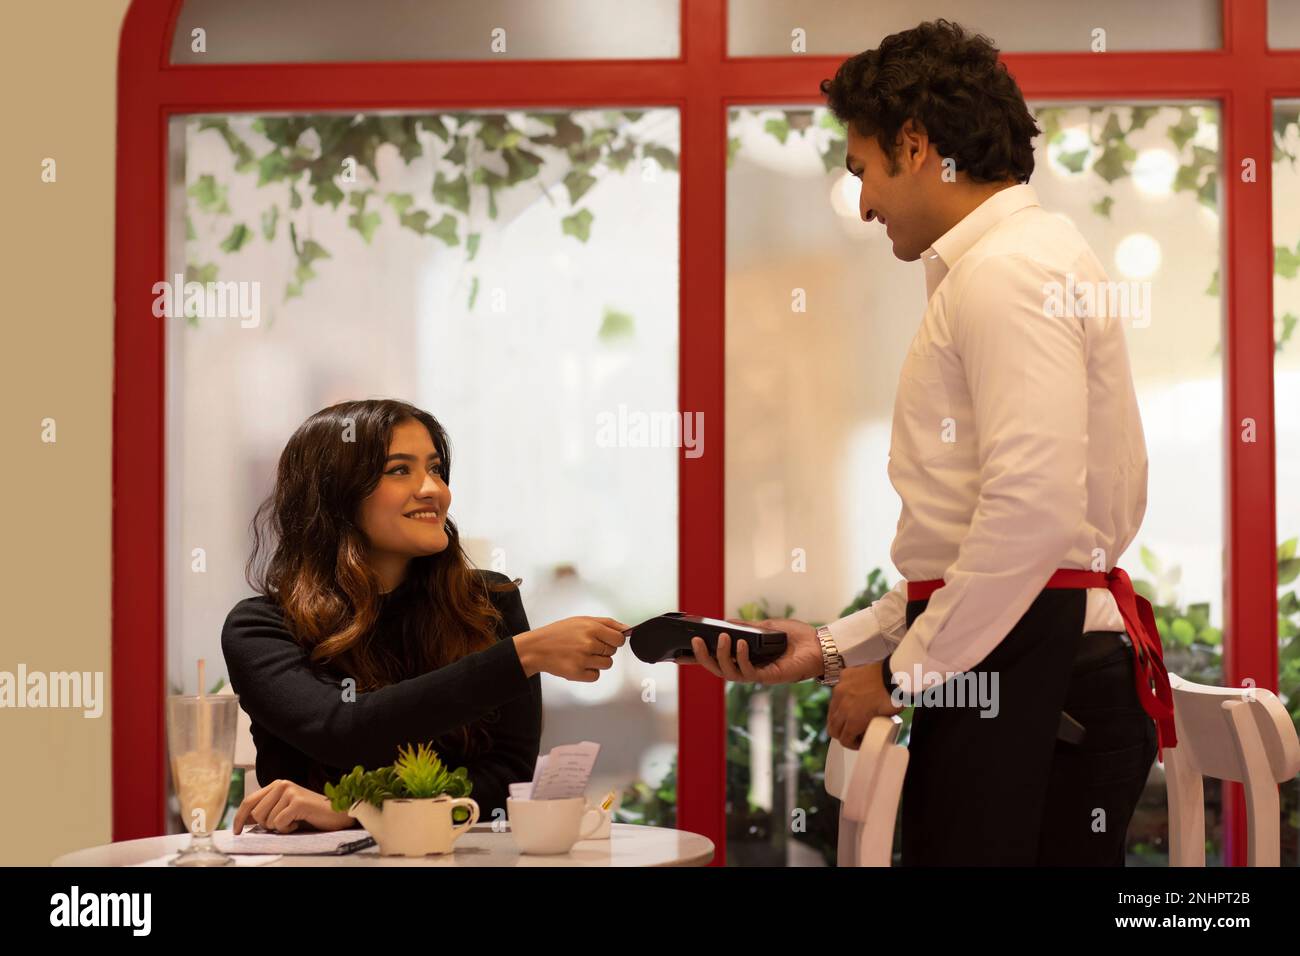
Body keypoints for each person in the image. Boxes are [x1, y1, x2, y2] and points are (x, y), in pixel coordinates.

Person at [685, 19, 1175, 866]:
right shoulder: (1008, 262)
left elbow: (1029, 516)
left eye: (863, 169)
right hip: (1021, 654)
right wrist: (836, 648)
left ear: (914, 146)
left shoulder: (1009, 272)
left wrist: (903, 669)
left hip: (1036, 666)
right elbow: (973, 547)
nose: (866, 201)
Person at [221, 398, 627, 833]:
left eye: (435, 469)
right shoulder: (261, 628)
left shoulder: (486, 602)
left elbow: (507, 778)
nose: (433, 489)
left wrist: (362, 810)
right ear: (337, 494)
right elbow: (342, 729)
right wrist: (520, 656)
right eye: (400, 470)